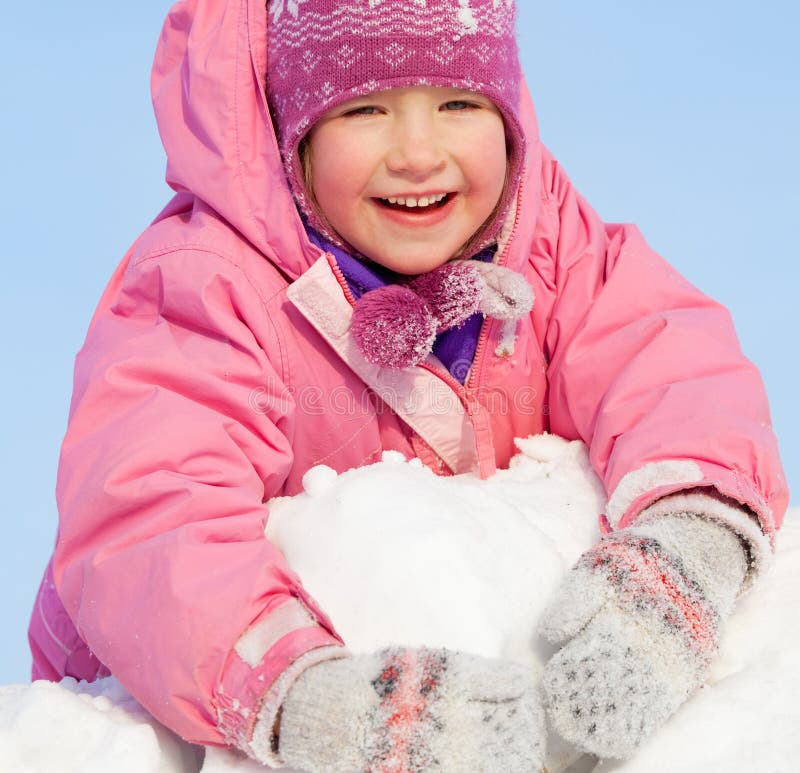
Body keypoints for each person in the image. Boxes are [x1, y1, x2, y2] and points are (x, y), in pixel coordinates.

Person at [28, 0, 788, 770]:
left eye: (458, 103)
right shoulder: (207, 286)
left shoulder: (545, 236)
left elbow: (666, 358)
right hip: (191, 700)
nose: (419, 153)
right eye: (366, 109)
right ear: (295, 136)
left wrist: (689, 541)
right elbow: (154, 517)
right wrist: (317, 702)